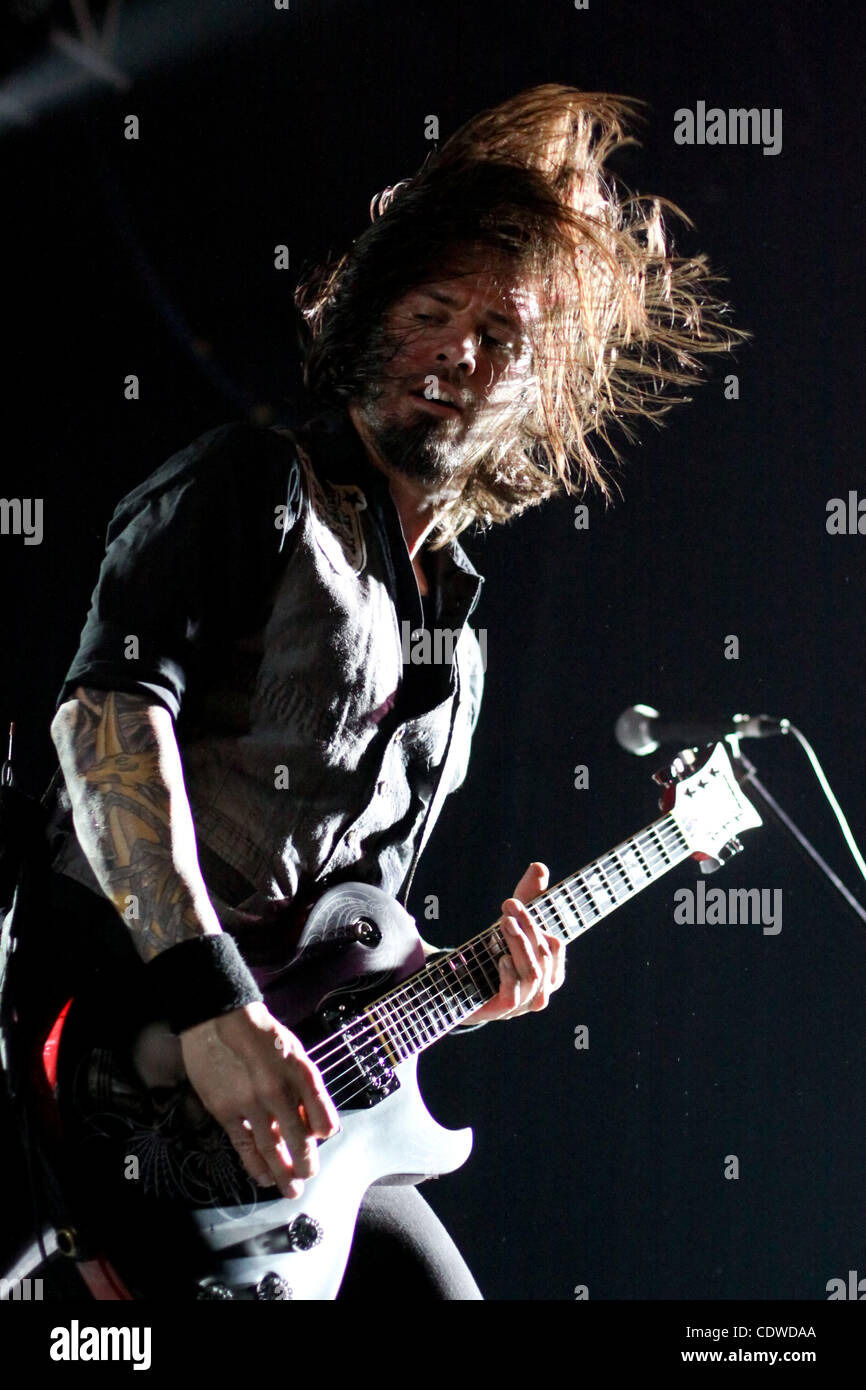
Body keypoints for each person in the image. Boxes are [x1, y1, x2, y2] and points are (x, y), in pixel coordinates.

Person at [40, 85, 741, 1299]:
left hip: (314, 1122)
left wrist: (466, 990)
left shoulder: (457, 629)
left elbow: (340, 943)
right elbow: (100, 720)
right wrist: (212, 1009)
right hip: (128, 1039)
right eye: (433, 312)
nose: (459, 354)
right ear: (372, 320)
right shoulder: (253, 486)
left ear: (533, 387)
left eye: (501, 340)